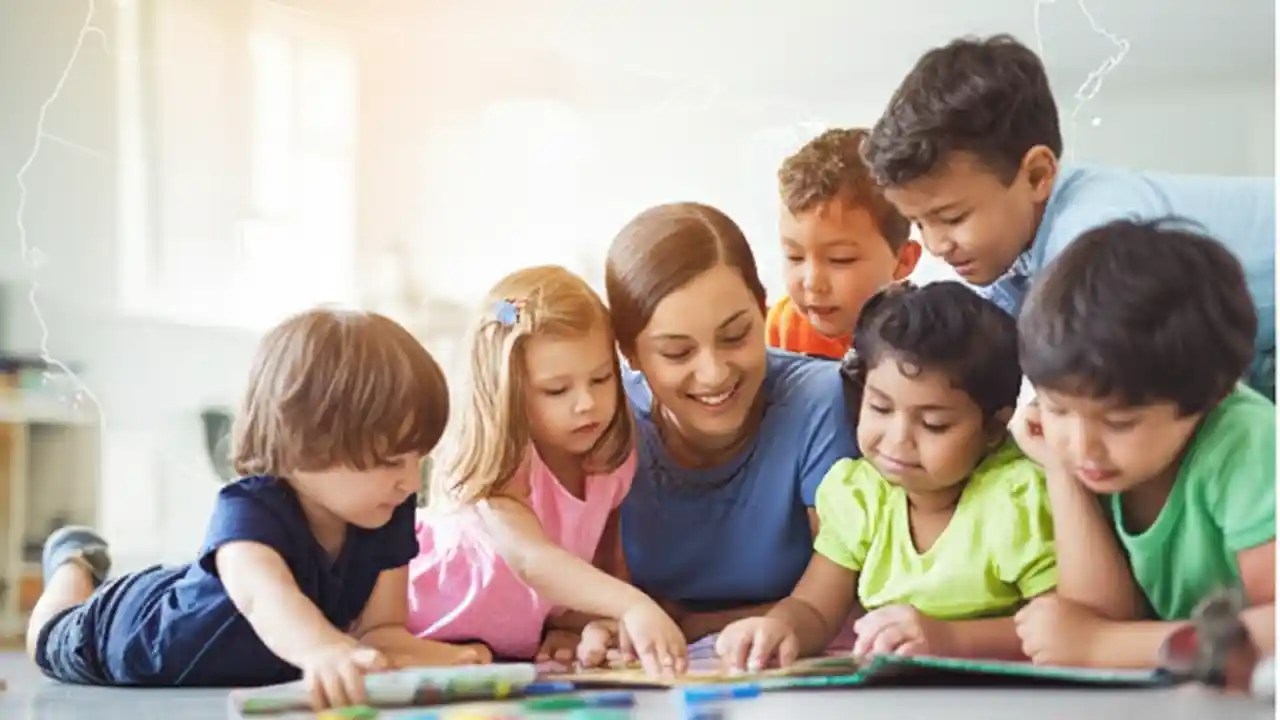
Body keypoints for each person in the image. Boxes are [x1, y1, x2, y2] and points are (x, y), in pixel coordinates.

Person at [28, 309, 482, 709]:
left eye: (418, 457)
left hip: (194, 595)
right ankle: (72, 559)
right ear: (303, 445)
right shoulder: (249, 508)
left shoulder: (385, 511)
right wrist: (322, 649)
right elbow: (264, 598)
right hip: (130, 632)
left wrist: (458, 658)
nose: (410, 481)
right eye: (389, 461)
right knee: (47, 633)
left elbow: (380, 632)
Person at [862, 34, 1276, 398]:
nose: (936, 245)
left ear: (1038, 175)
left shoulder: (1093, 241)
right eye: (920, 223)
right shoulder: (1023, 251)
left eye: (952, 218)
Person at [716, 282, 1055, 670]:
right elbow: (814, 607)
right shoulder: (861, 495)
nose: (898, 440)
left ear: (993, 429)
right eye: (880, 408)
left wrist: (949, 639)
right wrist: (777, 628)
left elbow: (1062, 626)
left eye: (934, 424)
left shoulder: (1018, 500)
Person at [1012, 219, 1275, 668]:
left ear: (1210, 395)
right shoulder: (1083, 455)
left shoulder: (1247, 443)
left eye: (1119, 422)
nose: (1083, 447)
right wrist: (1060, 471)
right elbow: (1099, 613)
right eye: (1058, 409)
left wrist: (1104, 646)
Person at [407, 265, 687, 677]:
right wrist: (632, 605)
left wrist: (591, 625)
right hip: (417, 613)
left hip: (501, 647)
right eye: (557, 390)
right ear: (510, 392)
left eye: (601, 378)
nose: (586, 403)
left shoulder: (612, 460)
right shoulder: (507, 461)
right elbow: (530, 559)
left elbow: (596, 578)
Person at [600, 201, 857, 643]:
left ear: (762, 308)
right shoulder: (604, 416)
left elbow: (852, 589)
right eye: (677, 353)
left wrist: (698, 626)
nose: (715, 373)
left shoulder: (818, 400)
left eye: (736, 335)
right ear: (629, 352)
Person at [768, 127, 920, 359]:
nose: (812, 283)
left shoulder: (919, 341)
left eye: (840, 259)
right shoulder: (783, 324)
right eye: (794, 256)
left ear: (903, 260)